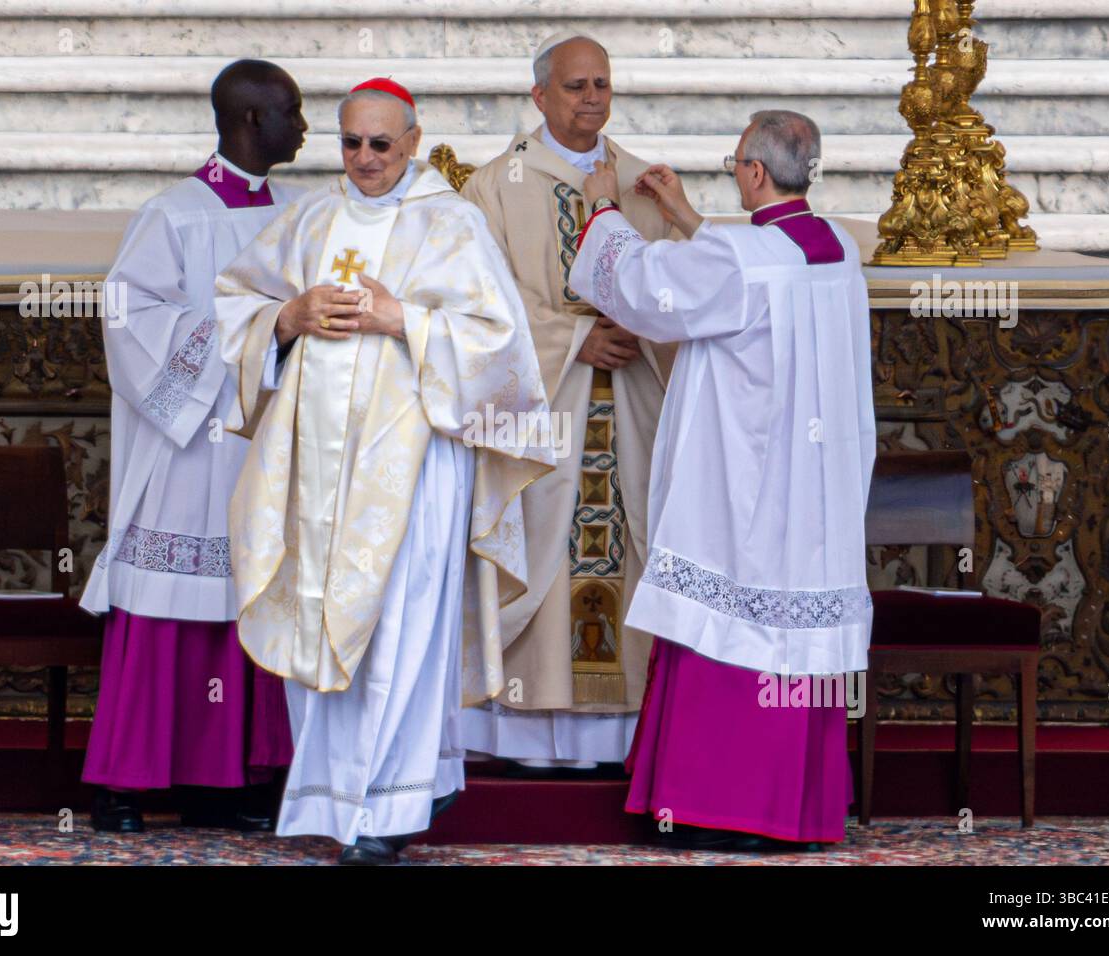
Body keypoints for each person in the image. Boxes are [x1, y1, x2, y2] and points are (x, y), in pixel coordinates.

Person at [214, 78, 554, 864]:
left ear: (412, 141)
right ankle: (332, 799)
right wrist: (286, 319)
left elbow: (505, 351)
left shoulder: (453, 226)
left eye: (380, 144)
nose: (364, 159)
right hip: (313, 473)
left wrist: (405, 320)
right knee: (320, 620)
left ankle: (389, 811)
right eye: (351, 143)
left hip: (416, 468)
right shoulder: (309, 220)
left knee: (401, 631)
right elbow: (236, 302)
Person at [569, 110, 876, 848]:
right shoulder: (836, 247)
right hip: (816, 489)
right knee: (792, 634)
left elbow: (648, 291)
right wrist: (685, 216)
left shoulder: (740, 257)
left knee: (730, 619)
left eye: (736, 160)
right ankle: (792, 813)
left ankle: (721, 808)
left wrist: (605, 212)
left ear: (755, 173)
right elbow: (746, 268)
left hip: (747, 482)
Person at [80, 59, 306, 833]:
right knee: (170, 607)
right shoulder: (173, 215)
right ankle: (125, 781)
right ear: (250, 122)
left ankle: (230, 780)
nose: (303, 127)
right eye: (290, 112)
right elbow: (130, 323)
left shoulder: (305, 212)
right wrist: (261, 331)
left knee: (246, 602)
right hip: (189, 450)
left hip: (268, 442)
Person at [459, 31, 675, 768]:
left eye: (601, 85)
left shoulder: (648, 184)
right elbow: (477, 302)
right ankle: (525, 732)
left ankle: (624, 734)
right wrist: (570, 339)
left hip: (632, 407)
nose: (591, 99)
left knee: (632, 538)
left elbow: (683, 287)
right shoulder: (494, 186)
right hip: (548, 406)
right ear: (539, 96)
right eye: (576, 86)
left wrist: (642, 327)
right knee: (543, 542)